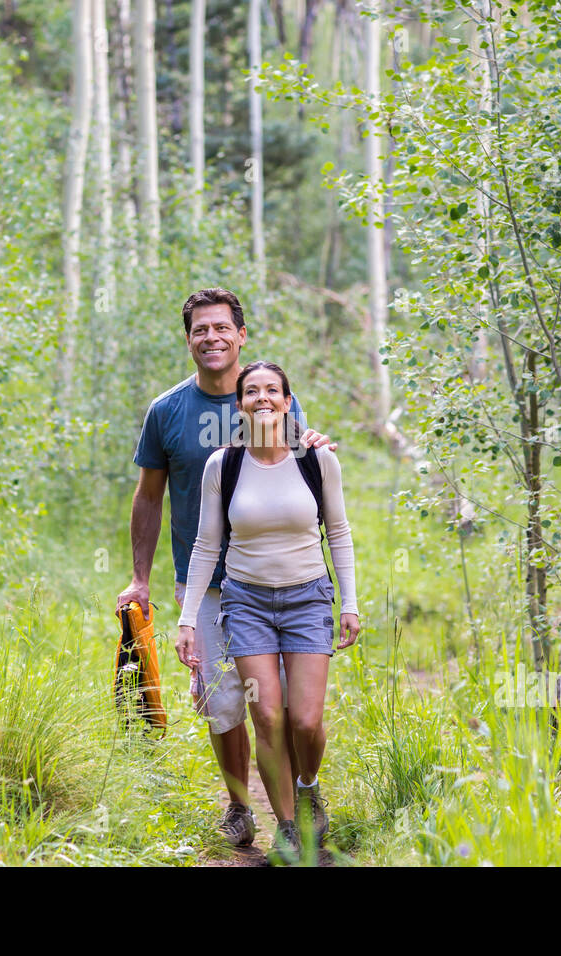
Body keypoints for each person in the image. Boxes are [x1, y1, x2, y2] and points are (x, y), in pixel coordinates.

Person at [117, 288, 336, 849]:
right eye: (199, 330)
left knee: (281, 706)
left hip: (274, 578)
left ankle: (296, 811)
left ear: (241, 335)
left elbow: (302, 466)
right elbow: (148, 497)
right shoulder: (166, 411)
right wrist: (141, 579)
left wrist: (313, 440)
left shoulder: (270, 396)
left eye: (221, 328)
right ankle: (241, 807)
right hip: (204, 580)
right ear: (188, 339)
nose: (210, 338)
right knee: (223, 704)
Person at [177, 361, 360, 865]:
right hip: (246, 603)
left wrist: (351, 603)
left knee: (304, 721)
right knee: (267, 714)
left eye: (272, 390)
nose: (262, 398)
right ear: (239, 404)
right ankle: (287, 827)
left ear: (286, 402)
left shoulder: (317, 461)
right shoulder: (224, 464)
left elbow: (339, 533)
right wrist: (188, 618)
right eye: (251, 391)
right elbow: (206, 544)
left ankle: (308, 787)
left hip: (307, 601)